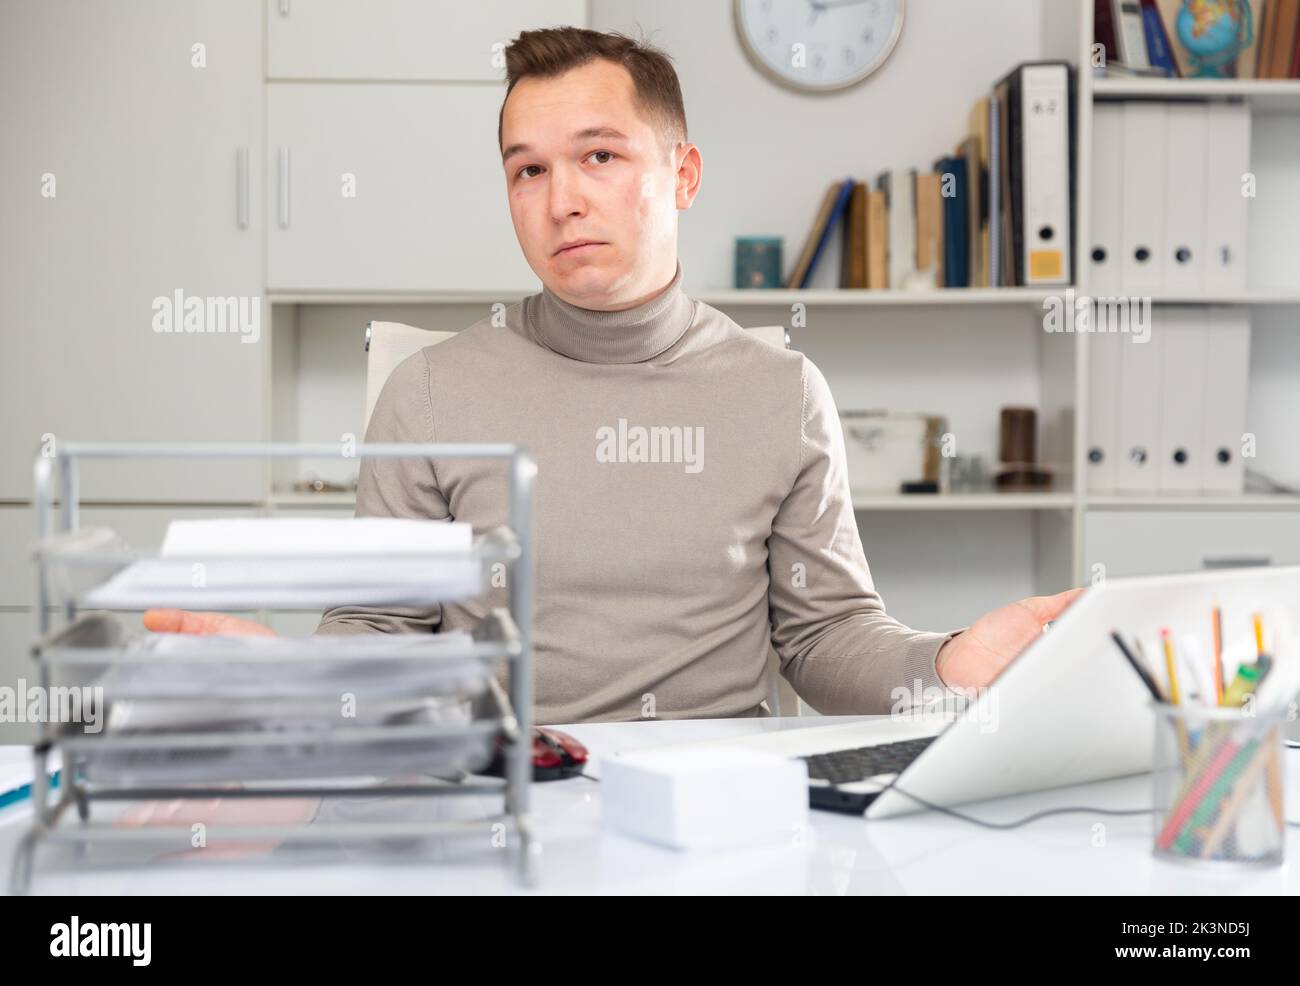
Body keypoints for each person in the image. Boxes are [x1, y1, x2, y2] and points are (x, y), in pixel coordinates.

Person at [145, 26, 1082, 723]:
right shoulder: (428, 391)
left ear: (683, 174)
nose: (563, 201)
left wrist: (951, 665)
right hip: (508, 795)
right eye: (528, 170)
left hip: (716, 817)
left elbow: (824, 637)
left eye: (600, 155)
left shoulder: (780, 392)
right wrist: (299, 683)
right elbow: (382, 634)